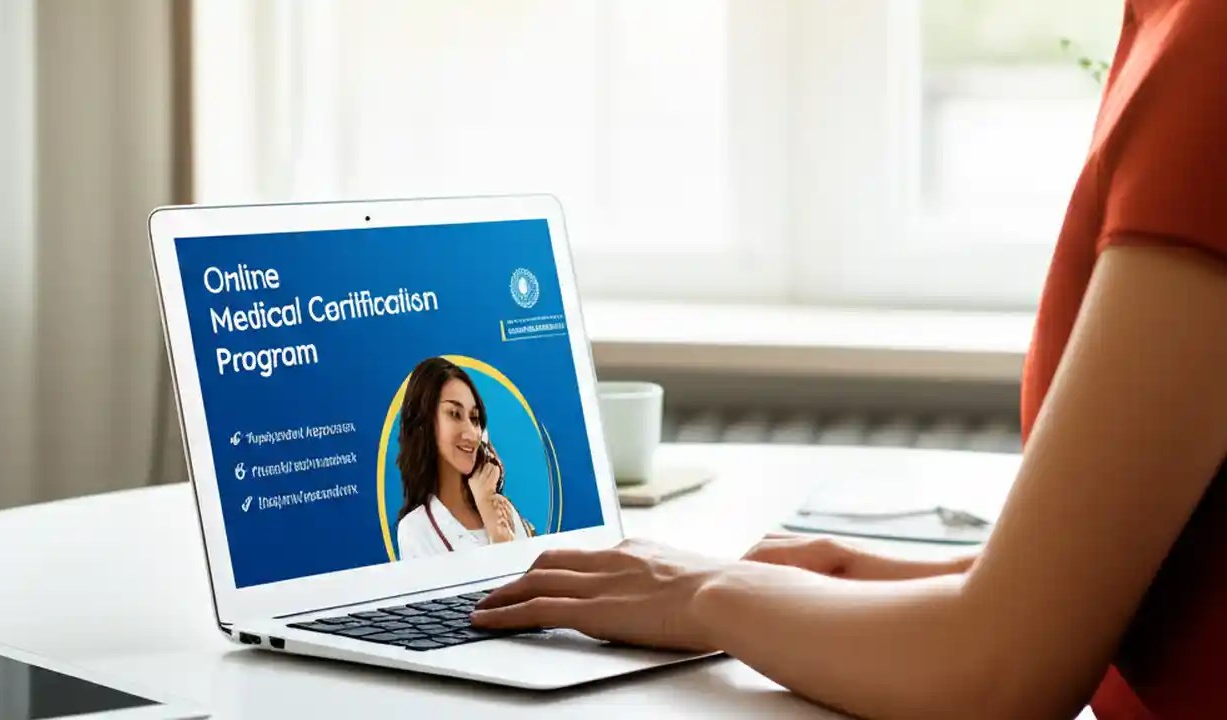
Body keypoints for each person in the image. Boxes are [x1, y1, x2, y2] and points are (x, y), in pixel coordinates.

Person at [472, 2, 1227, 718]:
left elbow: (998, 673)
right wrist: (878, 586)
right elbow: (1116, 593)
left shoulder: (1207, 51)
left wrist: (702, 591)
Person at [395, 357, 532, 560]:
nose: (471, 434)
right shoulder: (415, 529)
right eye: (454, 414)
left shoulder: (505, 510)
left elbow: (535, 585)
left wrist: (489, 508)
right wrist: (501, 541)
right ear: (424, 423)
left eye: (474, 419)